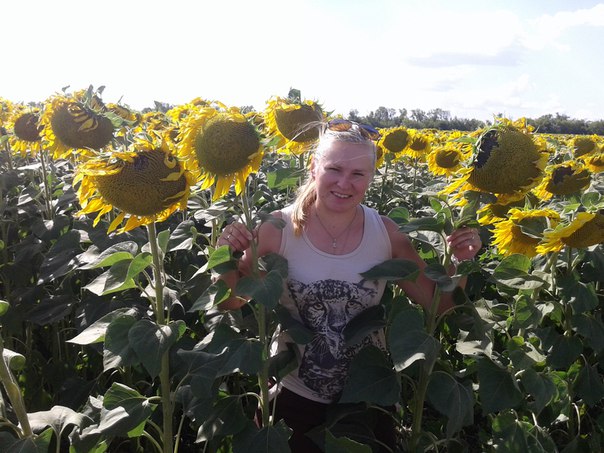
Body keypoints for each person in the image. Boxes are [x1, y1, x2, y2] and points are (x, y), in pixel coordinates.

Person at [215, 119, 481, 452]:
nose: (344, 183)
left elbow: (439, 304)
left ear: (371, 177)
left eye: (358, 174)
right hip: (293, 397)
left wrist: (459, 261)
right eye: (334, 169)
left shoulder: (386, 234)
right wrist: (225, 254)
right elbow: (231, 302)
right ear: (314, 167)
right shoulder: (277, 229)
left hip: (367, 401)